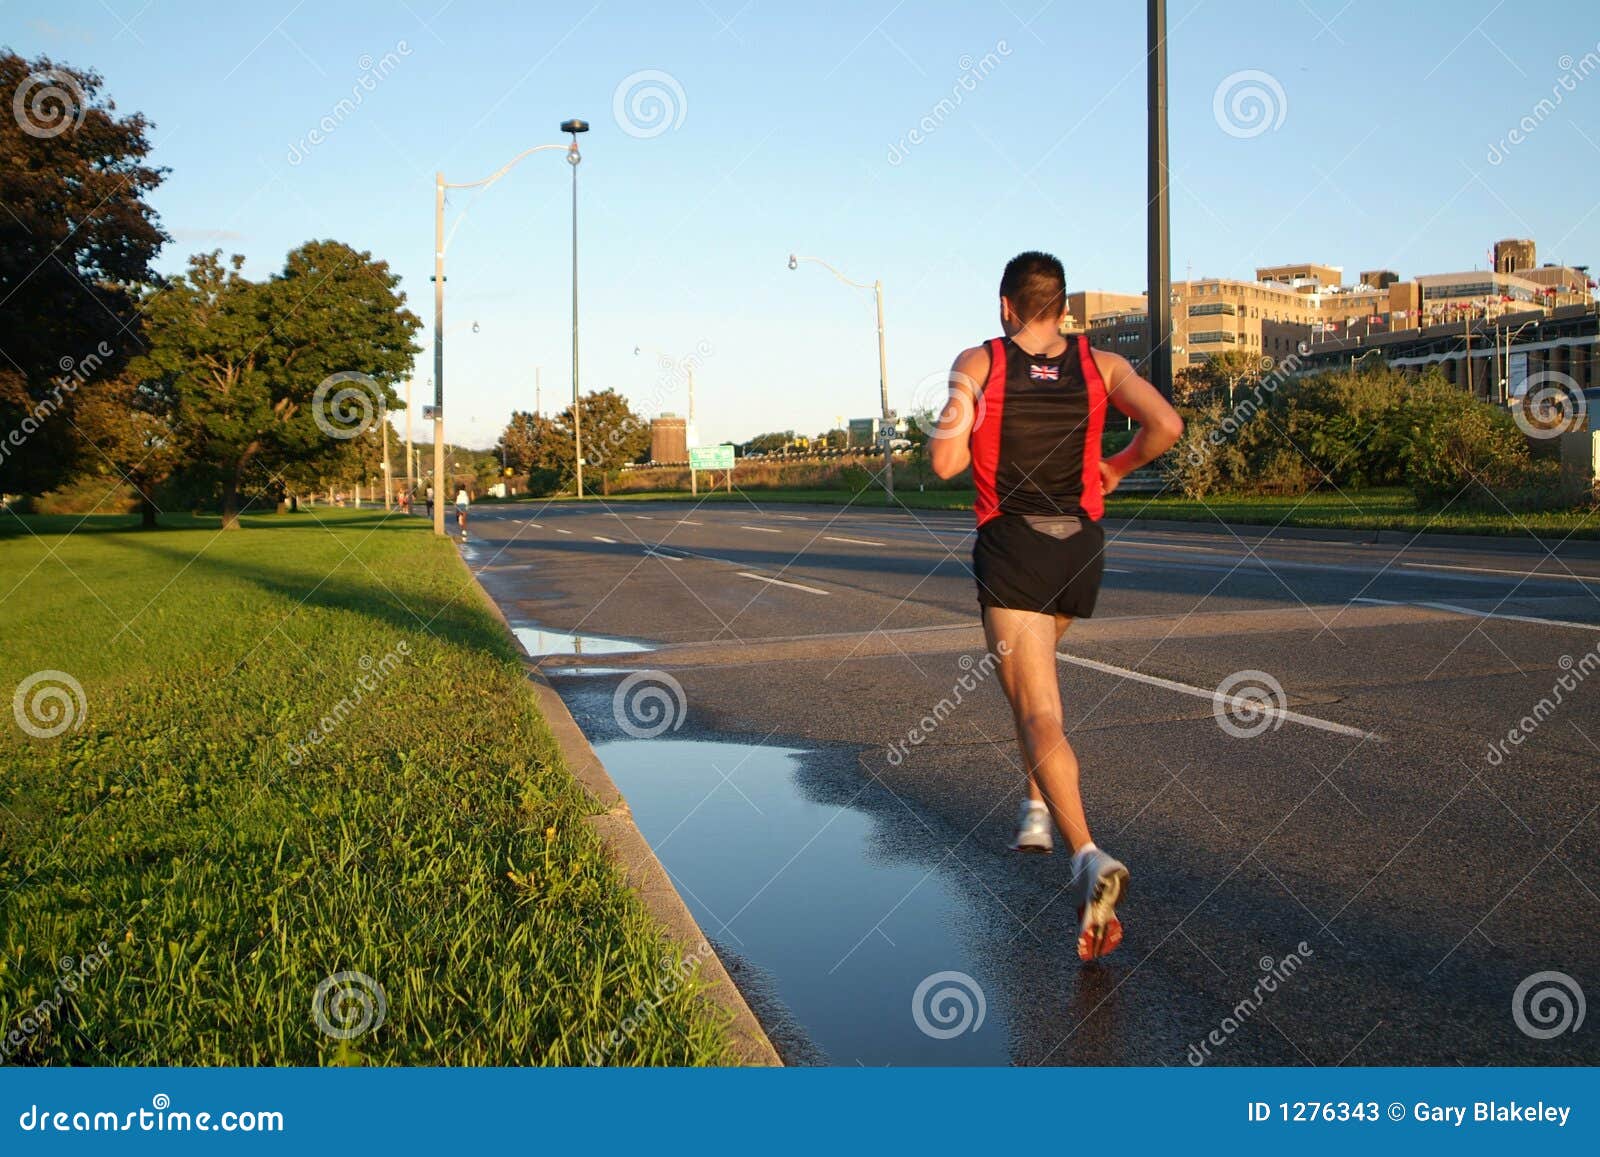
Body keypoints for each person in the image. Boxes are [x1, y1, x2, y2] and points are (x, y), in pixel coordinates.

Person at [929, 251, 1183, 961]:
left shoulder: (980, 361)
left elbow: (945, 463)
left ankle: (1088, 855)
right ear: (1061, 306)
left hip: (1013, 544)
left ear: (1006, 306)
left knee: (1039, 706)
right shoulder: (1102, 365)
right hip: (1080, 548)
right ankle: (1036, 807)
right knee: (1032, 687)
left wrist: (953, 414)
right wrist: (1116, 467)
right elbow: (1166, 425)